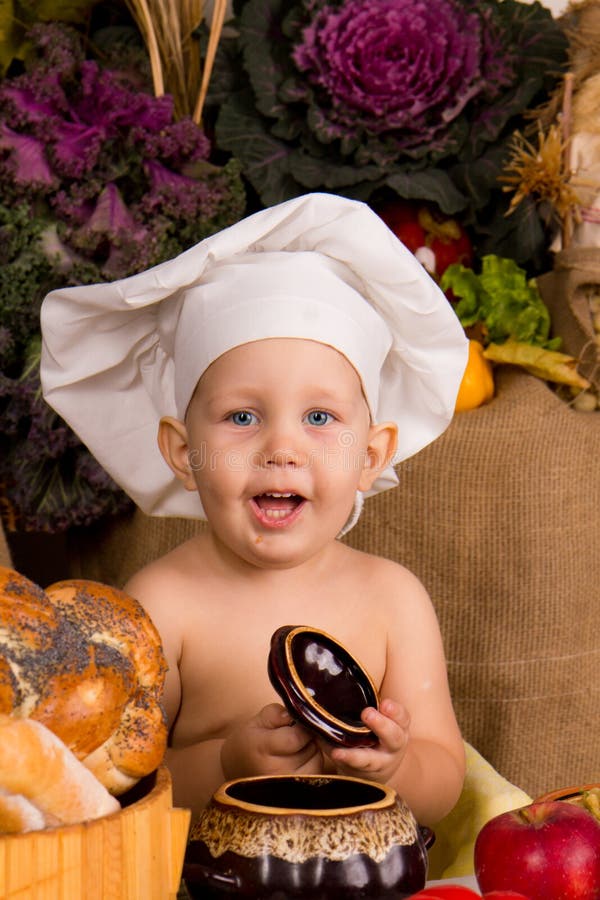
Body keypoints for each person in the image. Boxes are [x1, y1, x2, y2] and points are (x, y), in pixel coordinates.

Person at [40, 192, 468, 826]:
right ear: (183, 452)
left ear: (371, 456)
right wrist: (226, 763)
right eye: (243, 416)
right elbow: (120, 788)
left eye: (319, 417)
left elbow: (446, 782)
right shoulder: (163, 604)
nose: (283, 448)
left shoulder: (392, 599)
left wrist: (395, 766)